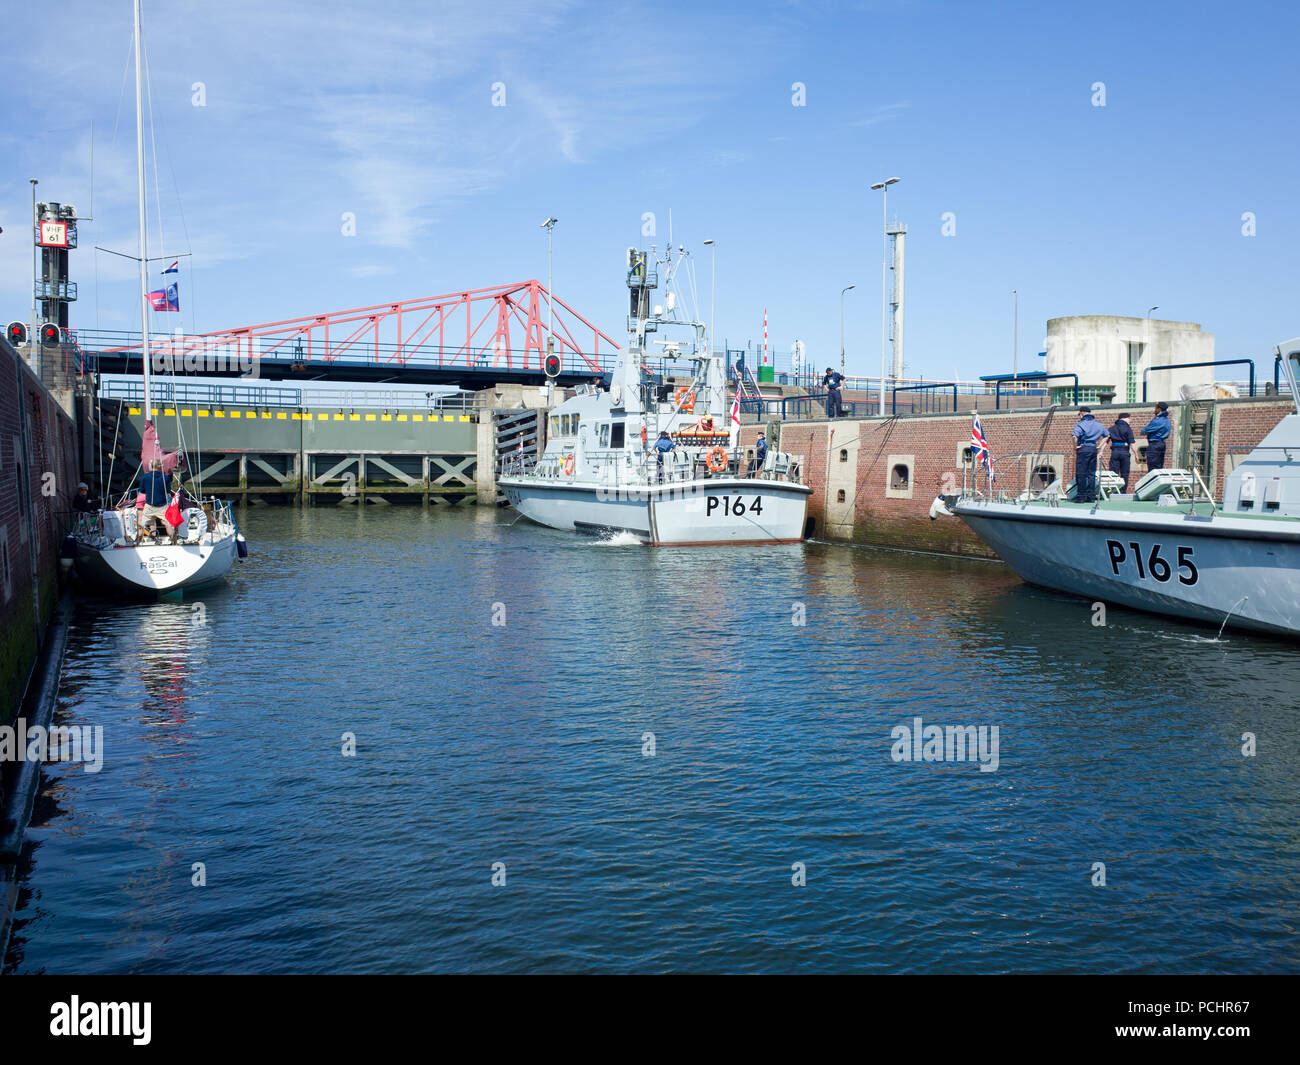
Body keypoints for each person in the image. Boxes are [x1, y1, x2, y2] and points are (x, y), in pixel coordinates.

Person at [1072, 407, 1108, 503]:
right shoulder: (1099, 425)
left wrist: (1075, 446)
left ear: (1082, 414)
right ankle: (1091, 496)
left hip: (1083, 449)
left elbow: (1075, 436)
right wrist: (1099, 445)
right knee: (1091, 474)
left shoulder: (1080, 424)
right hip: (1093, 449)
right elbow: (1107, 435)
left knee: (1081, 473)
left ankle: (1081, 496)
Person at [138, 459, 177, 541]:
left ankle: (138, 541)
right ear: (160, 466)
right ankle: (174, 541)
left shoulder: (145, 477)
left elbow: (142, 490)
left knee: (142, 524)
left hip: (149, 506)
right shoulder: (165, 477)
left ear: (151, 466)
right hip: (162, 505)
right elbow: (168, 491)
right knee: (168, 524)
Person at [1106, 413, 1135, 491]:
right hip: (1124, 452)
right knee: (1124, 473)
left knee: (1113, 473)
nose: (1130, 420)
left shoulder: (1111, 428)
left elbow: (1106, 440)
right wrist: (1136, 454)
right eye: (1129, 418)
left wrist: (1100, 451)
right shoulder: (1128, 429)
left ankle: (1113, 490)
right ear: (1125, 418)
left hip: (1115, 452)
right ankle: (1123, 491)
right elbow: (1132, 442)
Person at [1141, 401, 1172, 471]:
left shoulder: (1157, 420)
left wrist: (1143, 430)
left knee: (1153, 466)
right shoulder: (1167, 420)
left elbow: (1145, 431)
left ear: (1159, 409)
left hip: (1154, 444)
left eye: (1156, 408)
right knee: (1159, 466)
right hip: (1162, 443)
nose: (1154, 409)